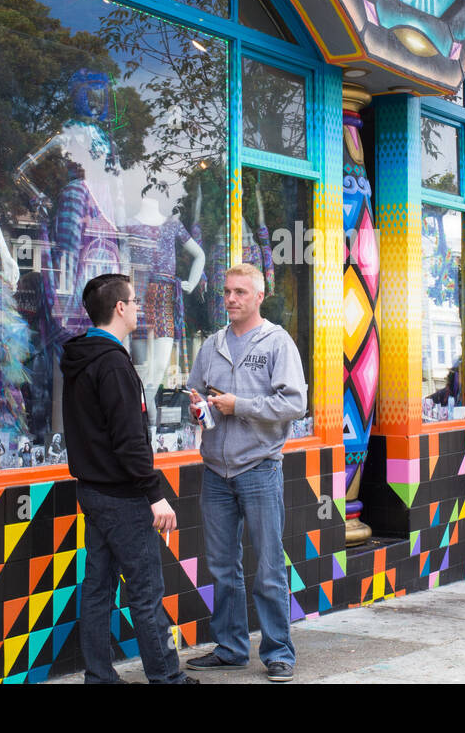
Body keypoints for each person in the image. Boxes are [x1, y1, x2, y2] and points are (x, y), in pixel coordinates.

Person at [60, 273, 192, 684]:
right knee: (146, 592)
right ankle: (166, 679)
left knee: (98, 588)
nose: (139, 307)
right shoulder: (113, 363)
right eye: (134, 301)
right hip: (121, 496)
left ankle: (99, 677)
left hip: (93, 491)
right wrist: (154, 494)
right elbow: (129, 438)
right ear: (119, 308)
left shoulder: (82, 357)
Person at [184, 263, 308, 682]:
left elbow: (294, 404)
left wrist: (243, 406)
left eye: (240, 292)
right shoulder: (212, 344)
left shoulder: (277, 343)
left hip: (259, 467)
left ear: (259, 296)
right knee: (222, 566)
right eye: (227, 292)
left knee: (270, 566)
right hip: (215, 471)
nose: (232, 299)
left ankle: (278, 651)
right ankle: (232, 648)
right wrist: (198, 408)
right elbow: (196, 392)